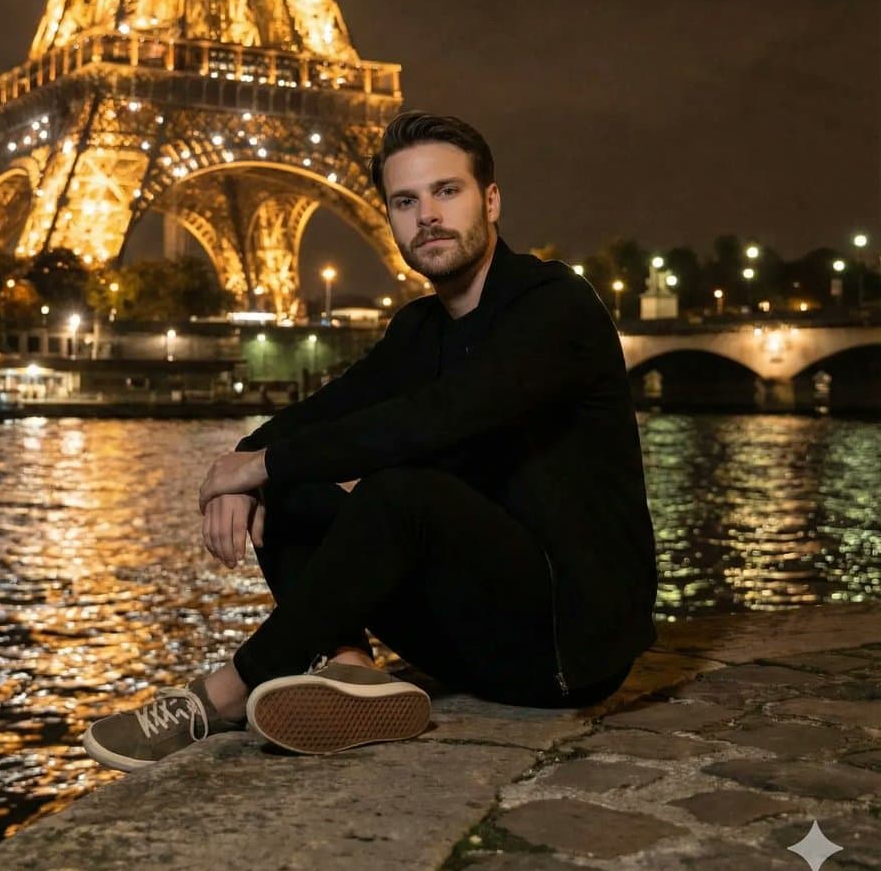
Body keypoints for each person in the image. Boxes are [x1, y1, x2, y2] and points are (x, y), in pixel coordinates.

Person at [83, 110, 658, 772]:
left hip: (569, 648)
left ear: (491, 200)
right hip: (469, 640)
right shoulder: (419, 329)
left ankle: (223, 695)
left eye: (448, 192)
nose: (427, 216)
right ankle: (355, 672)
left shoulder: (555, 306)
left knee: (400, 490)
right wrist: (242, 462)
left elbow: (435, 419)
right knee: (291, 485)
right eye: (406, 201)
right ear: (388, 217)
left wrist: (258, 464)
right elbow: (324, 414)